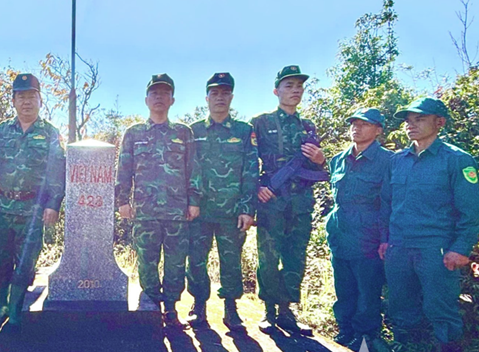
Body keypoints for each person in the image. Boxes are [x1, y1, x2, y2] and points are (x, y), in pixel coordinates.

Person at [380, 97, 479, 352]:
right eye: (408, 120)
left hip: (436, 249)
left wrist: (461, 248)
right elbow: (386, 204)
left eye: (420, 119)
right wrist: (385, 240)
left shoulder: (457, 160)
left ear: (440, 123)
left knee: (440, 308)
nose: (410, 125)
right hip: (399, 247)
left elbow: (472, 210)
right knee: (401, 306)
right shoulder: (398, 160)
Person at [0, 73, 66, 330]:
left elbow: (57, 171)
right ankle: (0, 305)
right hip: (3, 206)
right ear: (14, 101)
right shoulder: (2, 131)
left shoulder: (50, 133)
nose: (26, 102)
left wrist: (53, 204)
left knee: (26, 261)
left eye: (31, 96)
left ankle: (16, 308)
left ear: (40, 100)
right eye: (21, 97)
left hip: (33, 209)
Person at [115, 74, 201, 329]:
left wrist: (193, 201)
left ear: (172, 99)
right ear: (146, 99)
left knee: (175, 263)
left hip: (177, 211)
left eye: (165, 93)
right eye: (155, 93)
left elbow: (193, 169)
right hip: (145, 211)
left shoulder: (183, 133)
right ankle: (151, 308)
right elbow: (124, 169)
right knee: (147, 261)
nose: (160, 98)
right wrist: (122, 201)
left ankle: (172, 309)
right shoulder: (134, 133)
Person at [251, 65, 326, 336]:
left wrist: (320, 160)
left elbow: (318, 170)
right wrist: (258, 187)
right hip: (272, 200)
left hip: (301, 202)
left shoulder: (308, 126)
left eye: (299, 87)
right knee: (268, 257)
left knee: (295, 257)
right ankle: (269, 312)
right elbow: (248, 162)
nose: (295, 91)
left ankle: (286, 310)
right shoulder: (260, 123)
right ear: (276, 91)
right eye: (289, 86)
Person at [186, 72, 258, 331]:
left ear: (231, 97)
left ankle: (231, 309)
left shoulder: (244, 131)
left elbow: (251, 171)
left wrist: (248, 208)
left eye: (225, 93)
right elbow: (187, 169)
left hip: (232, 211)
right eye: (214, 93)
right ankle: (198, 306)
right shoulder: (193, 131)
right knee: (196, 259)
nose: (220, 98)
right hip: (200, 210)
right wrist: (190, 202)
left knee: (231, 260)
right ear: (206, 98)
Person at [325, 108, 392, 352]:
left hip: (368, 233)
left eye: (365, 124)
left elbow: (388, 202)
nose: (357, 128)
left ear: (378, 130)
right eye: (354, 123)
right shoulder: (338, 159)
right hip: (340, 231)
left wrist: (385, 238)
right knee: (344, 285)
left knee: (368, 287)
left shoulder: (388, 161)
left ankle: (366, 335)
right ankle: (345, 330)